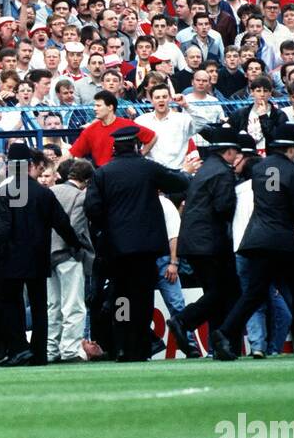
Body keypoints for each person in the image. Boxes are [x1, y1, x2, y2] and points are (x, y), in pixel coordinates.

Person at [212, 123, 294, 361]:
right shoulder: (293, 172)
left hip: (258, 239)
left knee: (253, 294)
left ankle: (223, 332)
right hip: (283, 241)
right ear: (292, 149)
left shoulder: (259, 168)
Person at [85, 128, 188, 362]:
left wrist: (109, 226)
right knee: (142, 297)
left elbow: (92, 208)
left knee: (121, 296)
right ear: (135, 146)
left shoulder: (103, 173)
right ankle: (140, 345)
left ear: (114, 148)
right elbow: (178, 182)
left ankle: (122, 345)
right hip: (145, 246)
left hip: (117, 248)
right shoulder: (147, 168)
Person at [0, 143, 82, 367]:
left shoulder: (5, 192)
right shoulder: (43, 193)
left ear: (9, 166)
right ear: (29, 165)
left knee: (12, 303)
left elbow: (1, 229)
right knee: (39, 307)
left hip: (11, 258)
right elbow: (62, 223)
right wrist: (76, 245)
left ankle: (19, 349)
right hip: (38, 257)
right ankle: (39, 354)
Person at [173, 124, 241, 357]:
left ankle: (219, 345)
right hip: (209, 242)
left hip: (194, 241)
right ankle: (184, 320)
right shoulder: (222, 172)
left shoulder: (206, 169)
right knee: (224, 291)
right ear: (229, 152)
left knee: (215, 292)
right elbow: (224, 207)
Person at [46, 157, 93, 365]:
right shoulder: (80, 197)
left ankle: (51, 349)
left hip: (47, 255)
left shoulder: (51, 191)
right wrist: (77, 250)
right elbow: (73, 227)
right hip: (68, 254)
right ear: (86, 180)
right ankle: (69, 350)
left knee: (53, 305)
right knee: (73, 305)